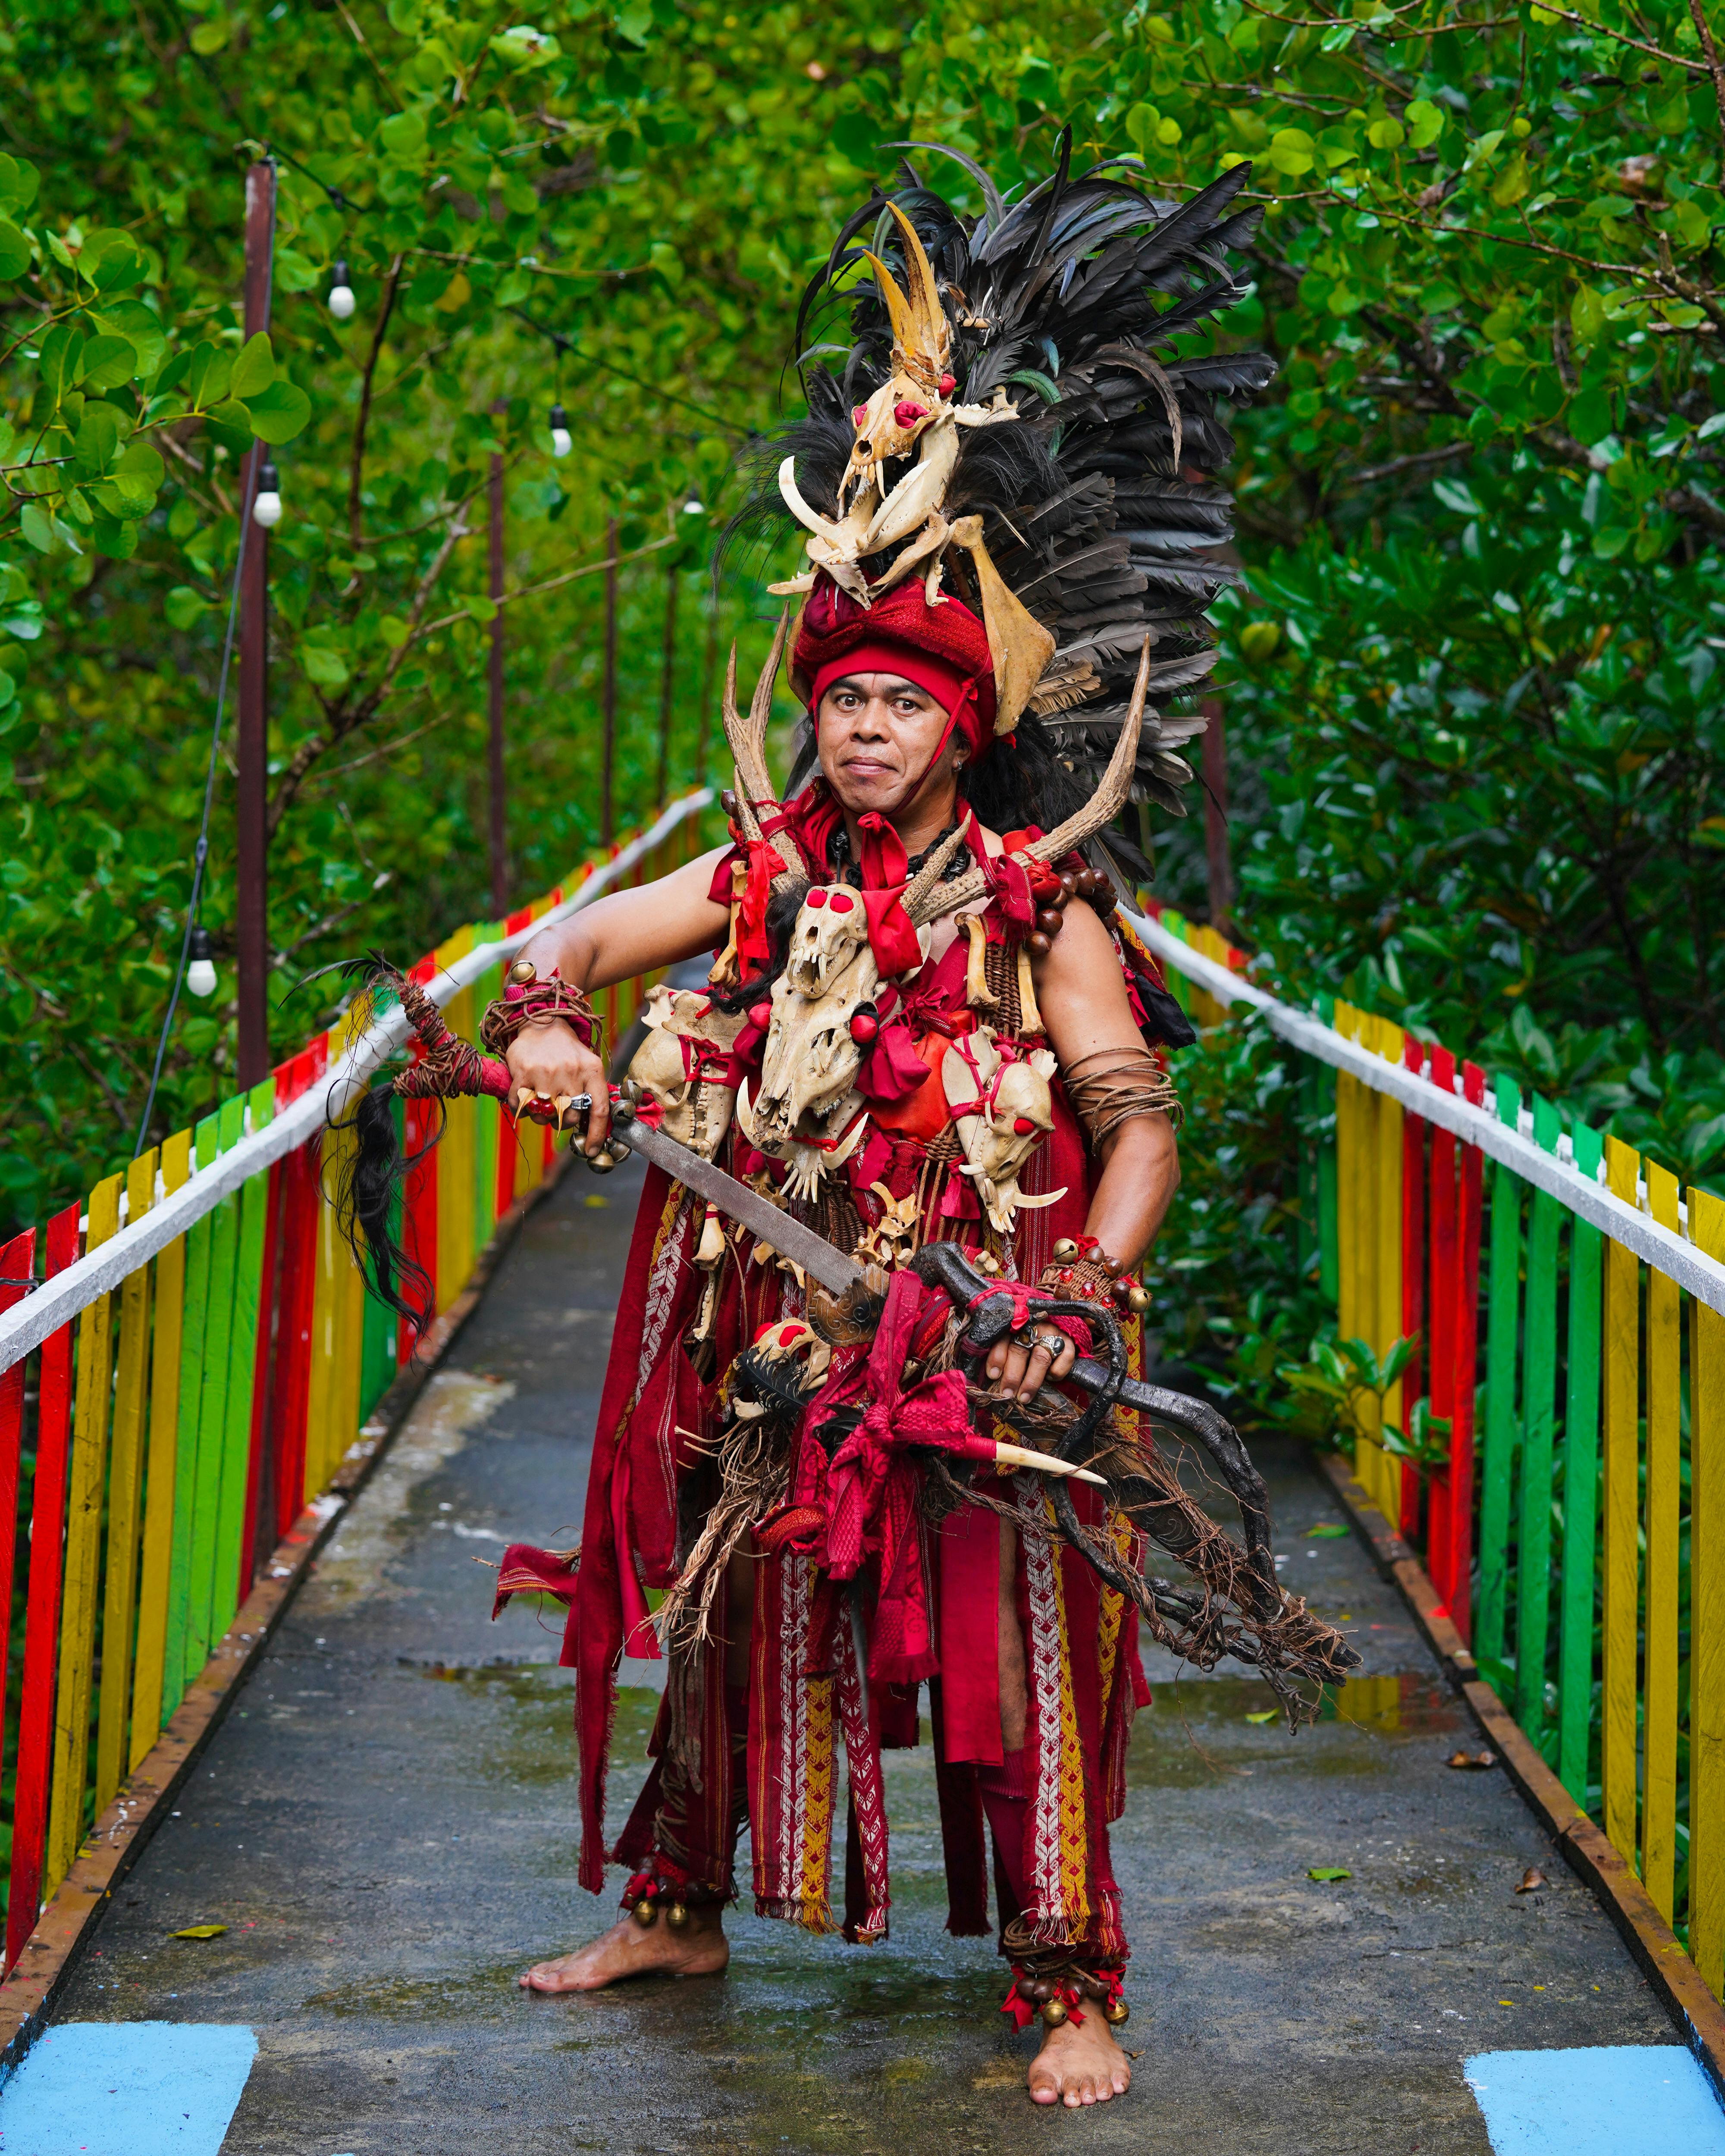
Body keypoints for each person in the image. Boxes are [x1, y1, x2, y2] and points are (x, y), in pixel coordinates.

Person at [356, 143, 1350, 2111]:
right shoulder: (757, 880)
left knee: (1027, 1640)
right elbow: (564, 940)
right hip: (772, 1317)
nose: (863, 732)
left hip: (988, 1330)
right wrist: (553, 1022)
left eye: (902, 706)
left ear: (962, 724)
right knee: (727, 1596)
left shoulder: (1036, 901)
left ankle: (1073, 1977)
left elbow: (1136, 1123)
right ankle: (679, 1897)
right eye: (844, 705)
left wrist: (1083, 1284)